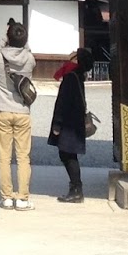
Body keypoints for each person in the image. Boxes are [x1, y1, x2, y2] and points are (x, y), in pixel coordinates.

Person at [0, 20, 36, 211]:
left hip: (2, 110)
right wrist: (20, 37)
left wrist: (6, 34)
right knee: (23, 157)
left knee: (4, 157)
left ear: (8, 37)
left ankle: (7, 197)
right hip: (22, 112)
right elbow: (26, 48)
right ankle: (23, 198)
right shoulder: (30, 59)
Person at [48, 46, 94, 203]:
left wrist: (57, 124)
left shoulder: (70, 77)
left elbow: (63, 102)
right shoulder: (78, 76)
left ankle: (76, 189)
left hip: (68, 123)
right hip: (75, 121)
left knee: (68, 155)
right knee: (68, 155)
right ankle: (75, 188)